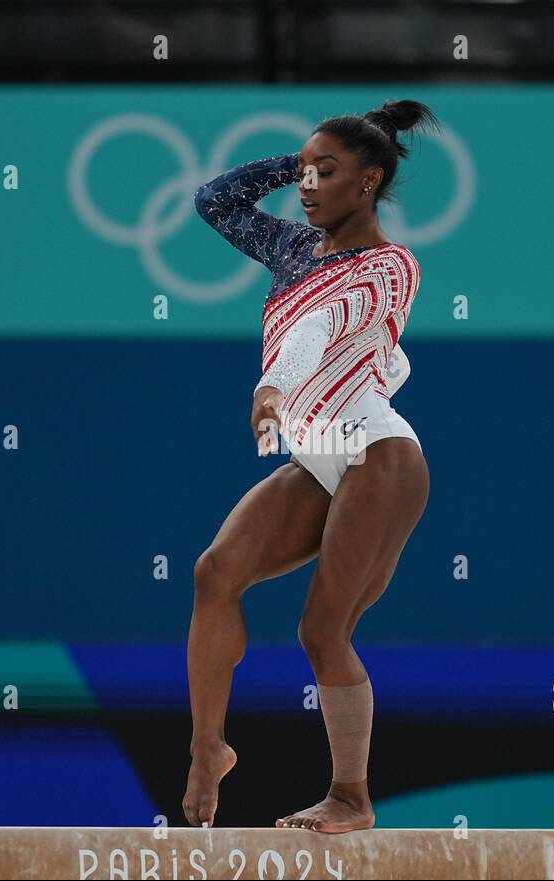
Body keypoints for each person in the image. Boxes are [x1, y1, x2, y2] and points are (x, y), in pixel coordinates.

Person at [182, 99, 438, 833]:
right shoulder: (293, 249)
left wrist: (272, 388)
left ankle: (351, 797)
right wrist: (290, 162)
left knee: (322, 630)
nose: (307, 184)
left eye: (327, 171)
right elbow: (213, 200)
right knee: (213, 574)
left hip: (378, 456)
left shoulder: (391, 267)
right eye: (303, 170)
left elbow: (321, 326)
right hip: (318, 457)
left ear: (371, 182)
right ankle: (208, 748)